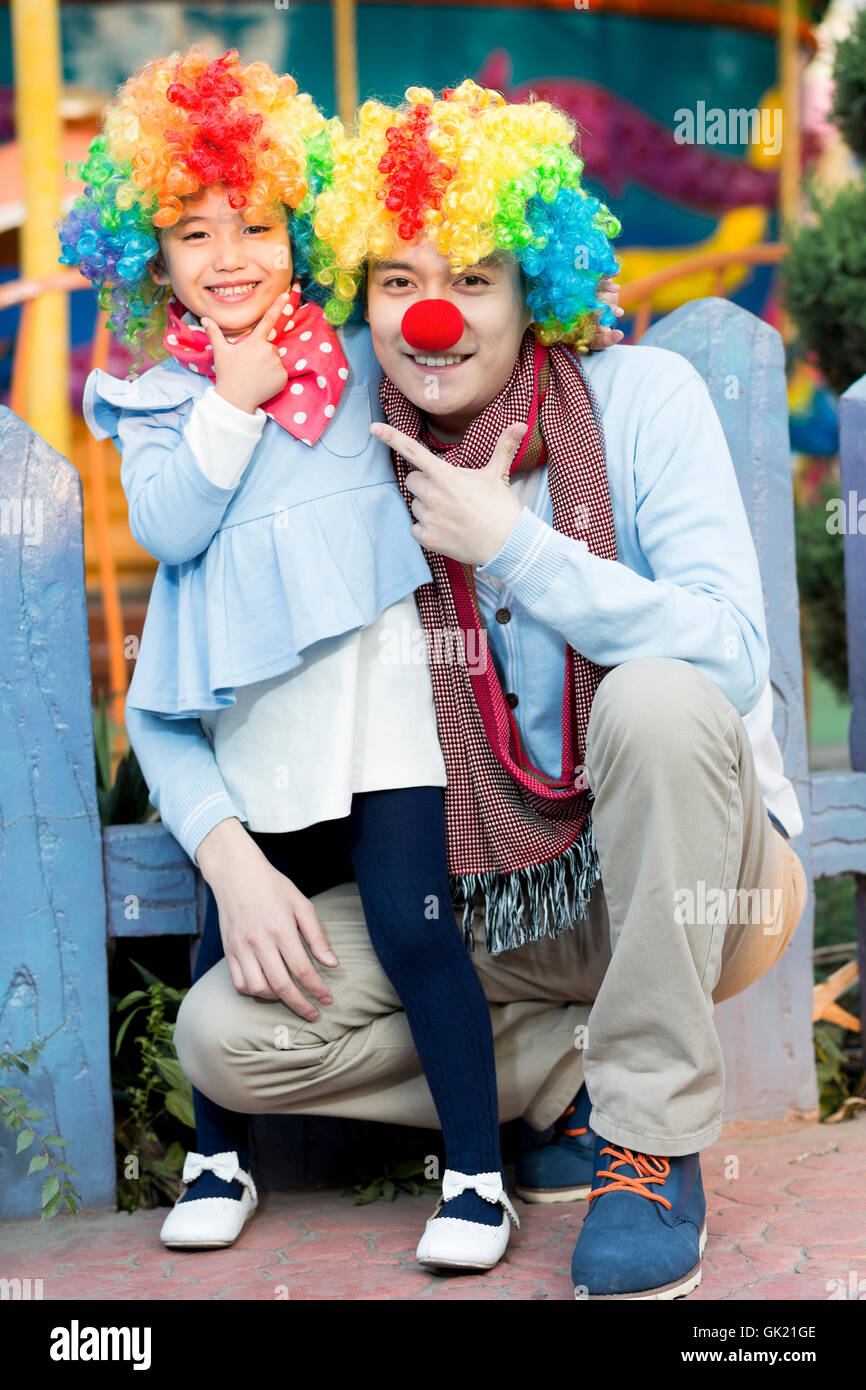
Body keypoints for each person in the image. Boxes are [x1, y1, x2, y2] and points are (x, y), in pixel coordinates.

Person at [172, 80, 808, 1300]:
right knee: (226, 1035)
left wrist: (513, 547)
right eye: (397, 280)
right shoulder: (330, 453)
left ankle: (647, 1145)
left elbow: (731, 650)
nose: (432, 318)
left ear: (532, 291)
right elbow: (190, 665)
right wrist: (228, 853)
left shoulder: (638, 404)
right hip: (481, 910)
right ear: (361, 296)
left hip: (701, 882)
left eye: (471, 278)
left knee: (659, 697)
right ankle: (557, 1079)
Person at [60, 51, 623, 1270]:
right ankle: (220, 1155)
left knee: (419, 930)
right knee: (235, 943)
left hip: (382, 717)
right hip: (258, 724)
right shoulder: (158, 403)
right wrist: (233, 400)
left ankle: (474, 1175)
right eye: (191, 231)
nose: (228, 255)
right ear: (147, 260)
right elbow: (166, 525)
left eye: (255, 222)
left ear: (299, 227)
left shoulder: (355, 357)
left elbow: (452, 381)